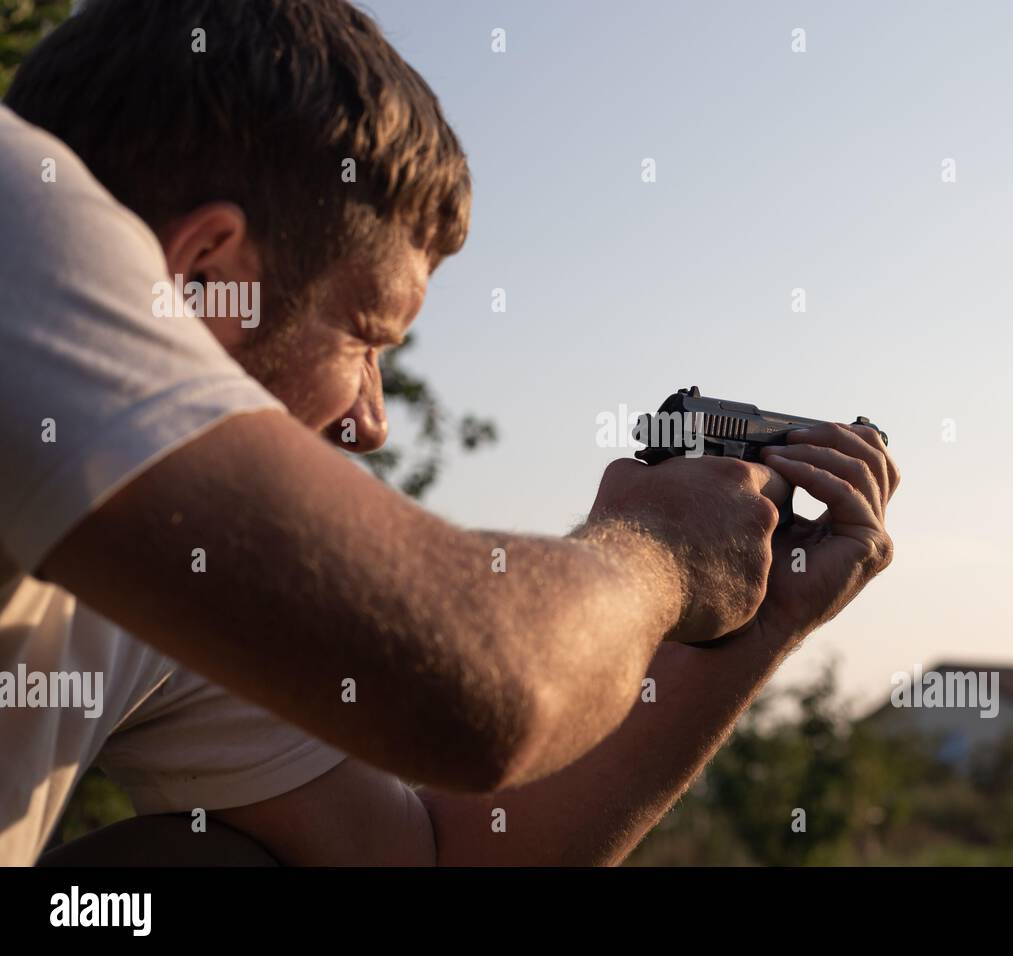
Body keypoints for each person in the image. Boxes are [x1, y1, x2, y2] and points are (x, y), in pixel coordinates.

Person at [0, 0, 897, 866]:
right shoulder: (16, 211)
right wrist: (661, 553)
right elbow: (490, 693)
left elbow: (436, 856)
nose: (370, 423)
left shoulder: (176, 547)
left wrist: (756, 615)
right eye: (364, 337)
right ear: (204, 272)